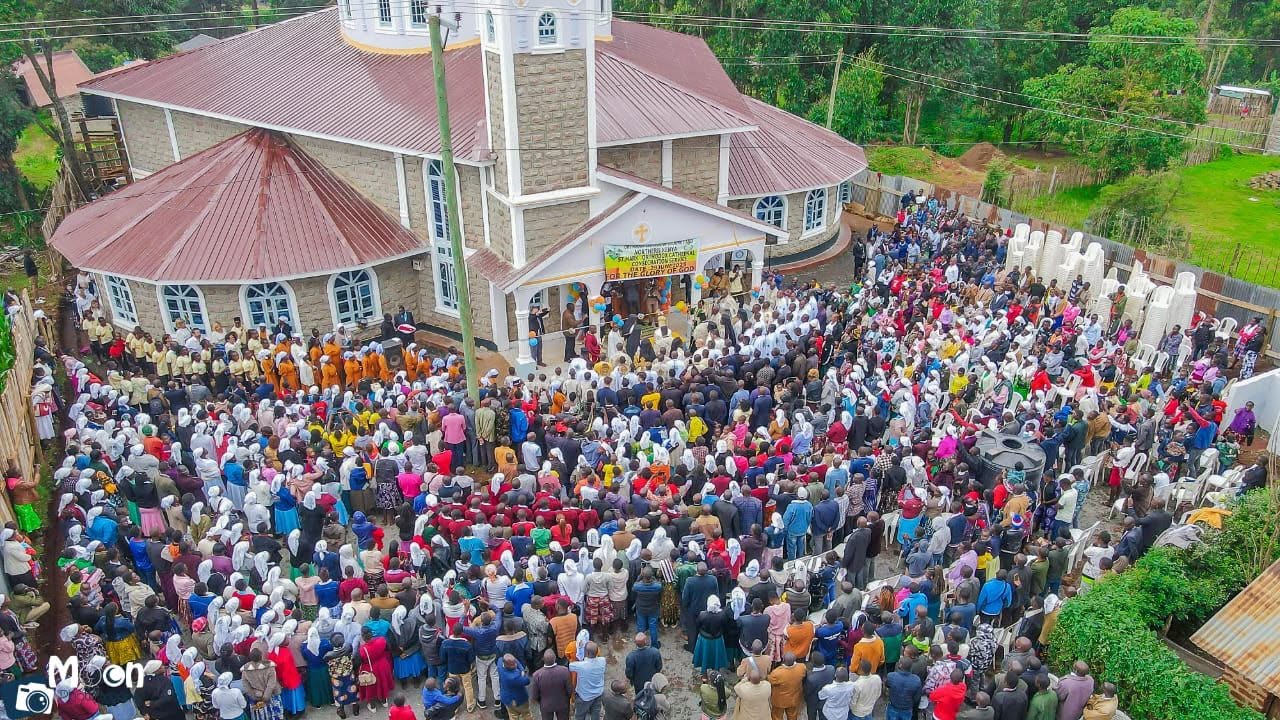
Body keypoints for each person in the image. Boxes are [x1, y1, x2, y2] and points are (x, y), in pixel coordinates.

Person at [531, 649, 573, 720]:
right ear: (555, 658)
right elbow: (569, 690)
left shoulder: (537, 675)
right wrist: (566, 699)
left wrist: (542, 701)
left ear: (543, 659)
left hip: (546, 705)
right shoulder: (564, 671)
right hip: (562, 703)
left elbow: (535, 695)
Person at [570, 641, 607, 720]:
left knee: (580, 715)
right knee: (595, 714)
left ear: (586, 653)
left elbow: (570, 665)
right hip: (598, 694)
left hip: (584, 697)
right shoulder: (603, 661)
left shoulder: (581, 666)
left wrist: (579, 651)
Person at [766, 651, 805, 720]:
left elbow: (770, 680)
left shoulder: (777, 673)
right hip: (794, 699)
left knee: (777, 716)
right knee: (793, 716)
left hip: (779, 700)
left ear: (783, 660)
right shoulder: (802, 667)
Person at [497, 653, 532, 720]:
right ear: (508, 665)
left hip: (506, 698)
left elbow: (513, 660)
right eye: (513, 664)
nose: (516, 665)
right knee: (526, 714)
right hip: (519, 700)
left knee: (513, 716)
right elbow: (527, 681)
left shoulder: (500, 663)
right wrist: (522, 672)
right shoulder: (514, 677)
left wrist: (521, 669)